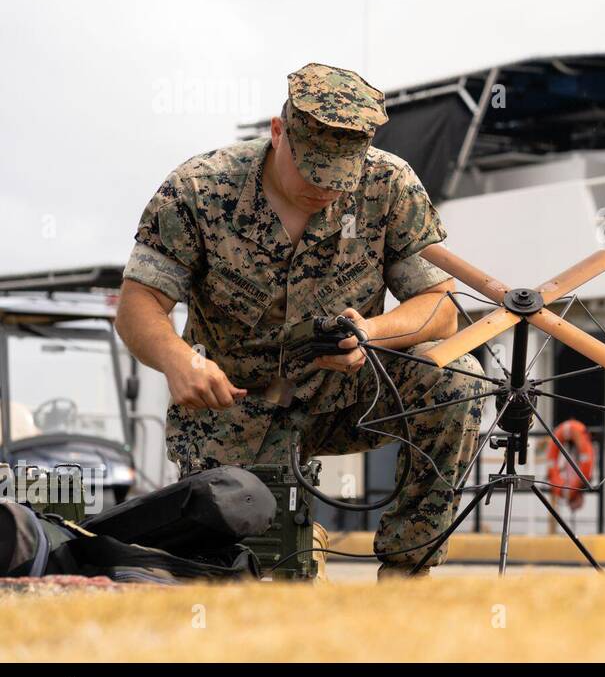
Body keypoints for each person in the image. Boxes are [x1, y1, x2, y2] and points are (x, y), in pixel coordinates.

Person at [115, 62, 485, 579]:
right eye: (313, 173)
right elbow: (138, 305)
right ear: (277, 131)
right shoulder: (199, 189)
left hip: (350, 396)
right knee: (250, 575)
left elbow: (441, 306)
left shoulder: (389, 184)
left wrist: (370, 333)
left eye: (340, 180)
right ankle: (294, 551)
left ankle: (408, 574)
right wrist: (177, 360)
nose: (325, 191)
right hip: (234, 406)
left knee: (458, 378)